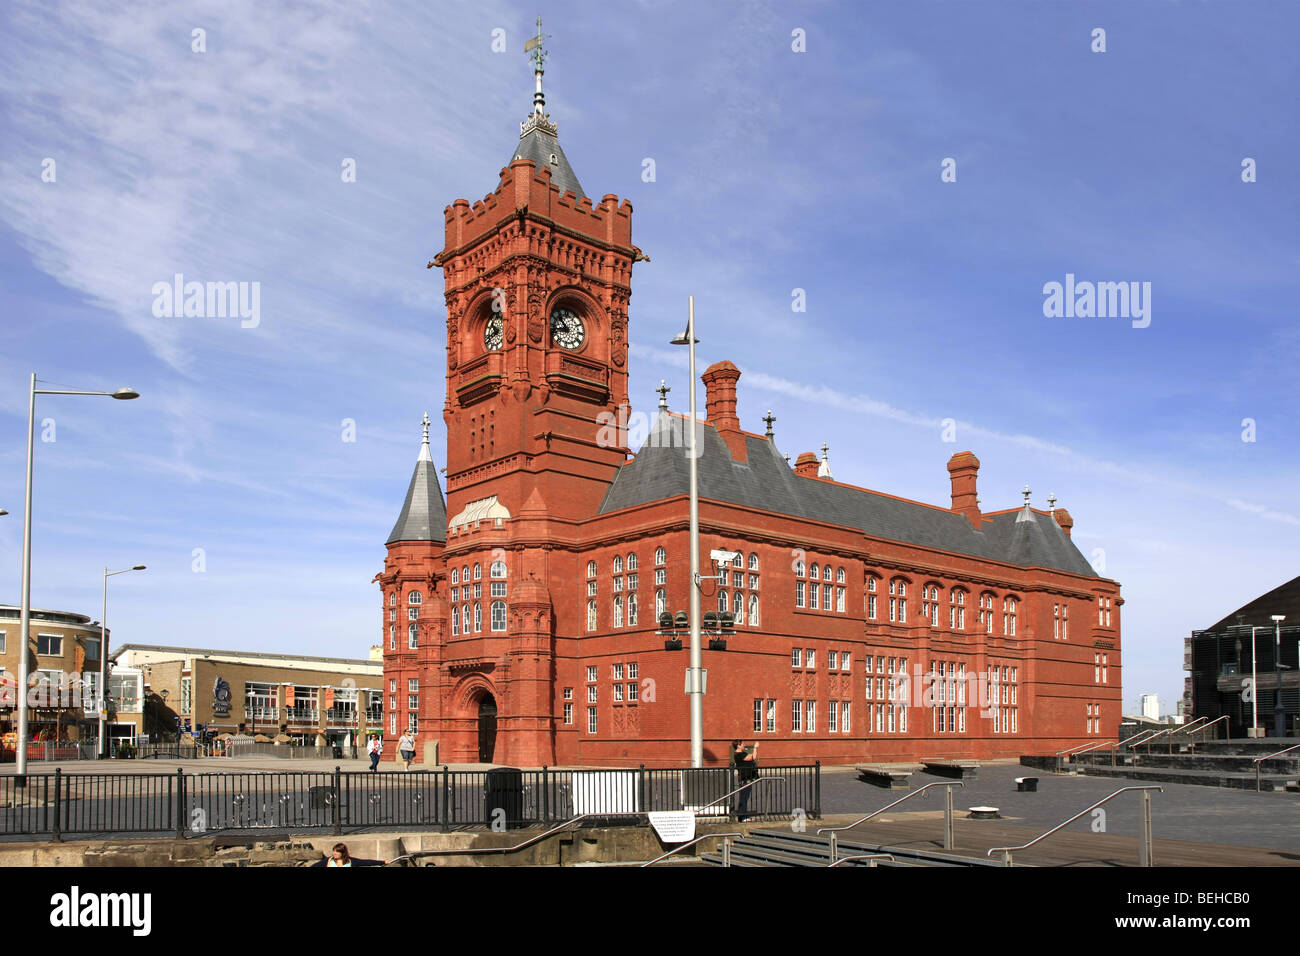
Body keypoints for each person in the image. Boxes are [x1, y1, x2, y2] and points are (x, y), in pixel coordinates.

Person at [731, 739, 759, 821]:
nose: (744, 745)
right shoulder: (739, 754)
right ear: (738, 745)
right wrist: (755, 748)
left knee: (745, 797)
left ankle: (743, 815)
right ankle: (742, 817)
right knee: (744, 797)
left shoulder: (741, 753)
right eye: (743, 744)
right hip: (745, 779)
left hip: (747, 778)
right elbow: (752, 757)